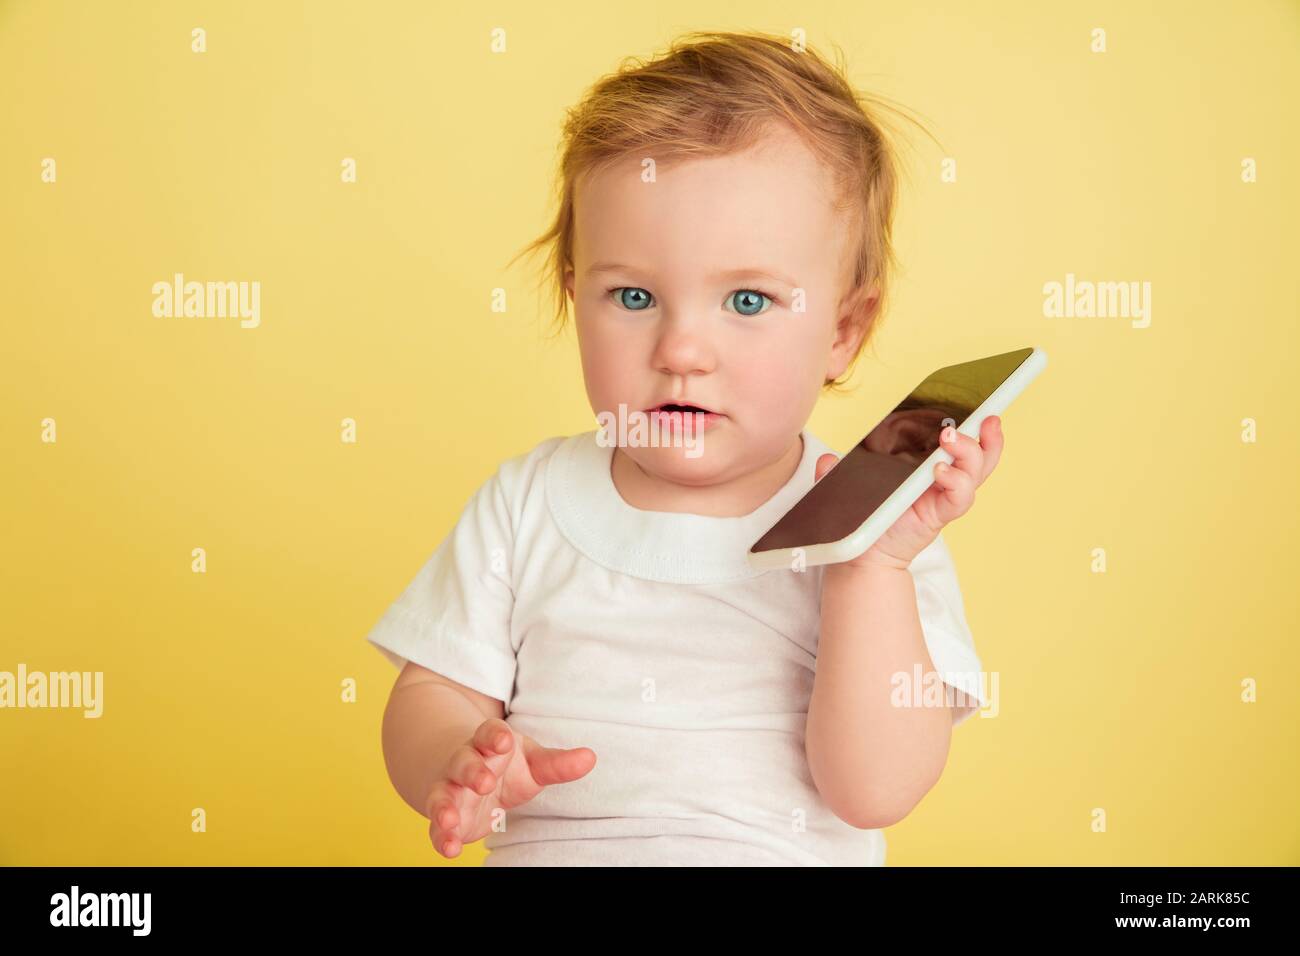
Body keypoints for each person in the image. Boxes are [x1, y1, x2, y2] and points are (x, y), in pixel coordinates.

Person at [365, 30, 1003, 866]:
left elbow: (876, 791)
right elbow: (433, 689)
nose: (682, 349)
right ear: (572, 297)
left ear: (844, 331)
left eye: (747, 300)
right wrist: (456, 756)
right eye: (633, 295)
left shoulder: (876, 527)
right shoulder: (526, 503)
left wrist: (868, 572)